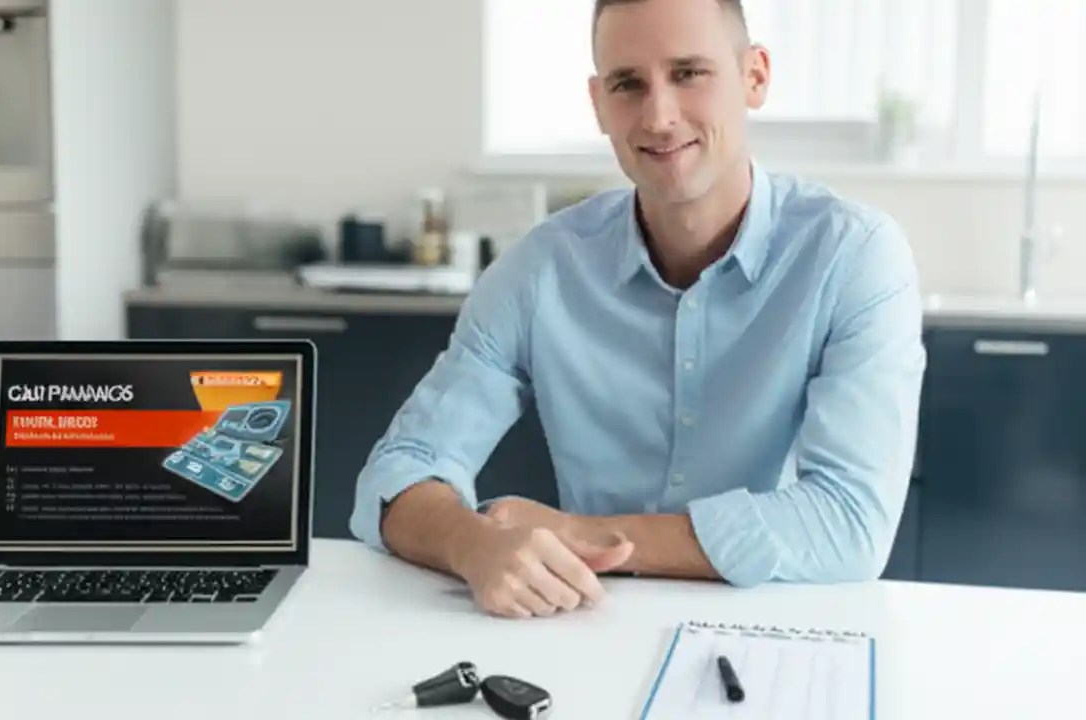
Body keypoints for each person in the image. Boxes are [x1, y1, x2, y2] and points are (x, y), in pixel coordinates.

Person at [349, 0, 925, 619]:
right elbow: (396, 473)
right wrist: (474, 543)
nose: (659, 117)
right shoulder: (539, 270)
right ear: (599, 103)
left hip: (778, 627)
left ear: (754, 77)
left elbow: (849, 523)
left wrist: (582, 535)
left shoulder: (853, 255)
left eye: (688, 73)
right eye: (628, 84)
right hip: (585, 619)